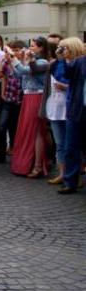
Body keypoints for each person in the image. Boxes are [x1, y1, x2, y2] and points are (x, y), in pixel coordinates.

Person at [9, 37, 51, 178]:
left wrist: (14, 58)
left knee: (37, 131)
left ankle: (38, 165)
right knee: (27, 131)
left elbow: (27, 70)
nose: (30, 48)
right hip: (28, 97)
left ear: (41, 48)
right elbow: (18, 73)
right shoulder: (30, 61)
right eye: (30, 45)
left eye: (33, 46)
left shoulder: (43, 62)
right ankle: (28, 164)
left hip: (37, 97)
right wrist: (16, 61)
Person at [58, 38, 86, 194]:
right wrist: (63, 59)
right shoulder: (81, 61)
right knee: (71, 147)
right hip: (77, 109)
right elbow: (66, 74)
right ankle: (70, 182)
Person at [40, 41, 70, 185]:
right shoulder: (54, 65)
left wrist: (65, 86)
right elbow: (56, 75)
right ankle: (62, 173)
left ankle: (73, 174)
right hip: (54, 107)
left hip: (70, 109)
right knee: (60, 143)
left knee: (72, 144)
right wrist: (59, 60)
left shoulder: (76, 64)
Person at [0, 41, 26, 163]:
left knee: (16, 128)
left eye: (17, 50)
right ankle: (0, 154)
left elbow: (21, 76)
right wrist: (3, 60)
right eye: (12, 50)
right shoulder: (7, 62)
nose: (14, 53)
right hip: (8, 99)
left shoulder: (25, 63)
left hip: (21, 100)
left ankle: (16, 152)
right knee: (1, 125)